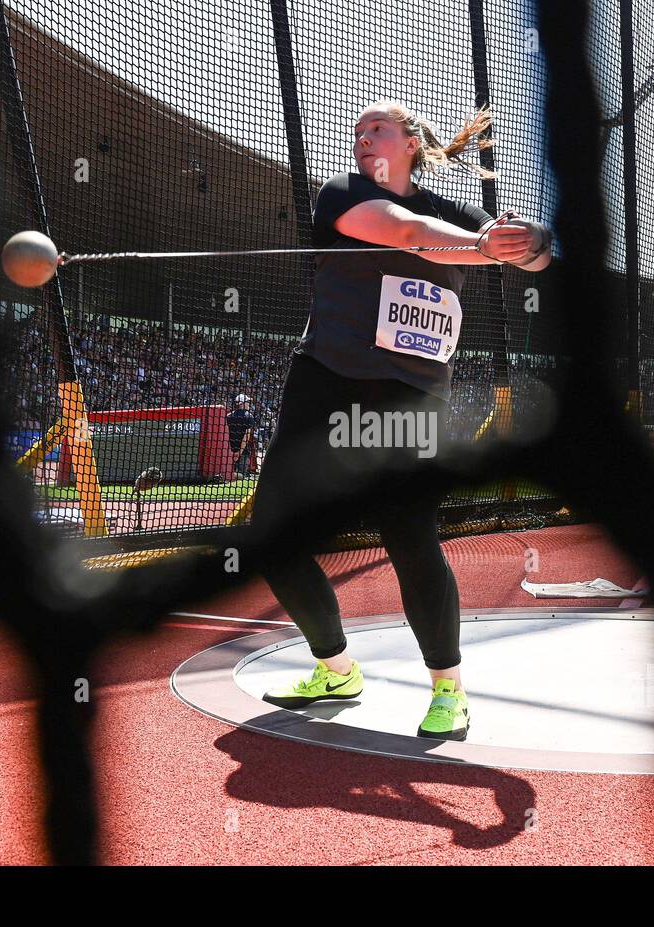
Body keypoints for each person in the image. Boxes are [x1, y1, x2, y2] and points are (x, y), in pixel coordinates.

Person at [250, 100, 551, 740]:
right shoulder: (342, 193)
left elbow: (530, 260)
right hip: (325, 382)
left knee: (408, 537)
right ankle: (335, 668)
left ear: (411, 141)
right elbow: (405, 232)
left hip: (407, 394)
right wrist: (480, 246)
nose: (362, 139)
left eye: (377, 129)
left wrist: (530, 245)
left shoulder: (460, 215)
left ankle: (448, 689)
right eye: (356, 131)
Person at [225, 393, 258, 478]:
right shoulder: (249, 416)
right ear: (242, 404)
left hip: (229, 451)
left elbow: (226, 435)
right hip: (243, 453)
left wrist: (231, 451)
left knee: (229, 475)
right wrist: (239, 452)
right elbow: (246, 437)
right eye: (247, 402)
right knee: (242, 476)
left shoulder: (228, 416)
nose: (249, 404)